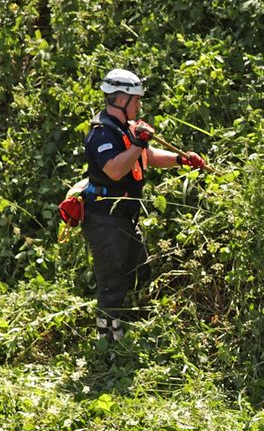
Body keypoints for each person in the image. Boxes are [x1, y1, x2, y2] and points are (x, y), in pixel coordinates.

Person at [82, 68, 204, 341]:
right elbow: (115, 170)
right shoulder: (101, 134)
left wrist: (181, 159)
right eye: (136, 100)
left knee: (139, 268)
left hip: (125, 217)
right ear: (120, 99)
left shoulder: (126, 128)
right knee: (112, 282)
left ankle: (129, 327)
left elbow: (146, 155)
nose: (139, 105)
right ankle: (108, 344)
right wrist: (138, 142)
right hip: (104, 219)